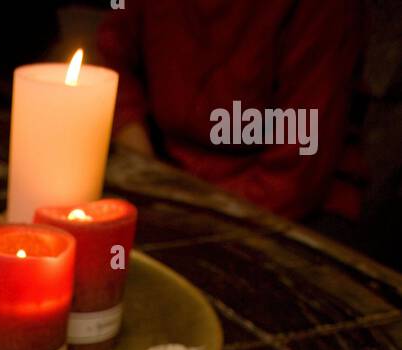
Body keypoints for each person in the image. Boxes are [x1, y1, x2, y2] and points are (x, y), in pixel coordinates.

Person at [97, 0, 364, 222]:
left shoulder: (322, 10)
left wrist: (184, 208)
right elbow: (114, 58)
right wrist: (138, 149)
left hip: (287, 207)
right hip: (168, 174)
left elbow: (297, 175)